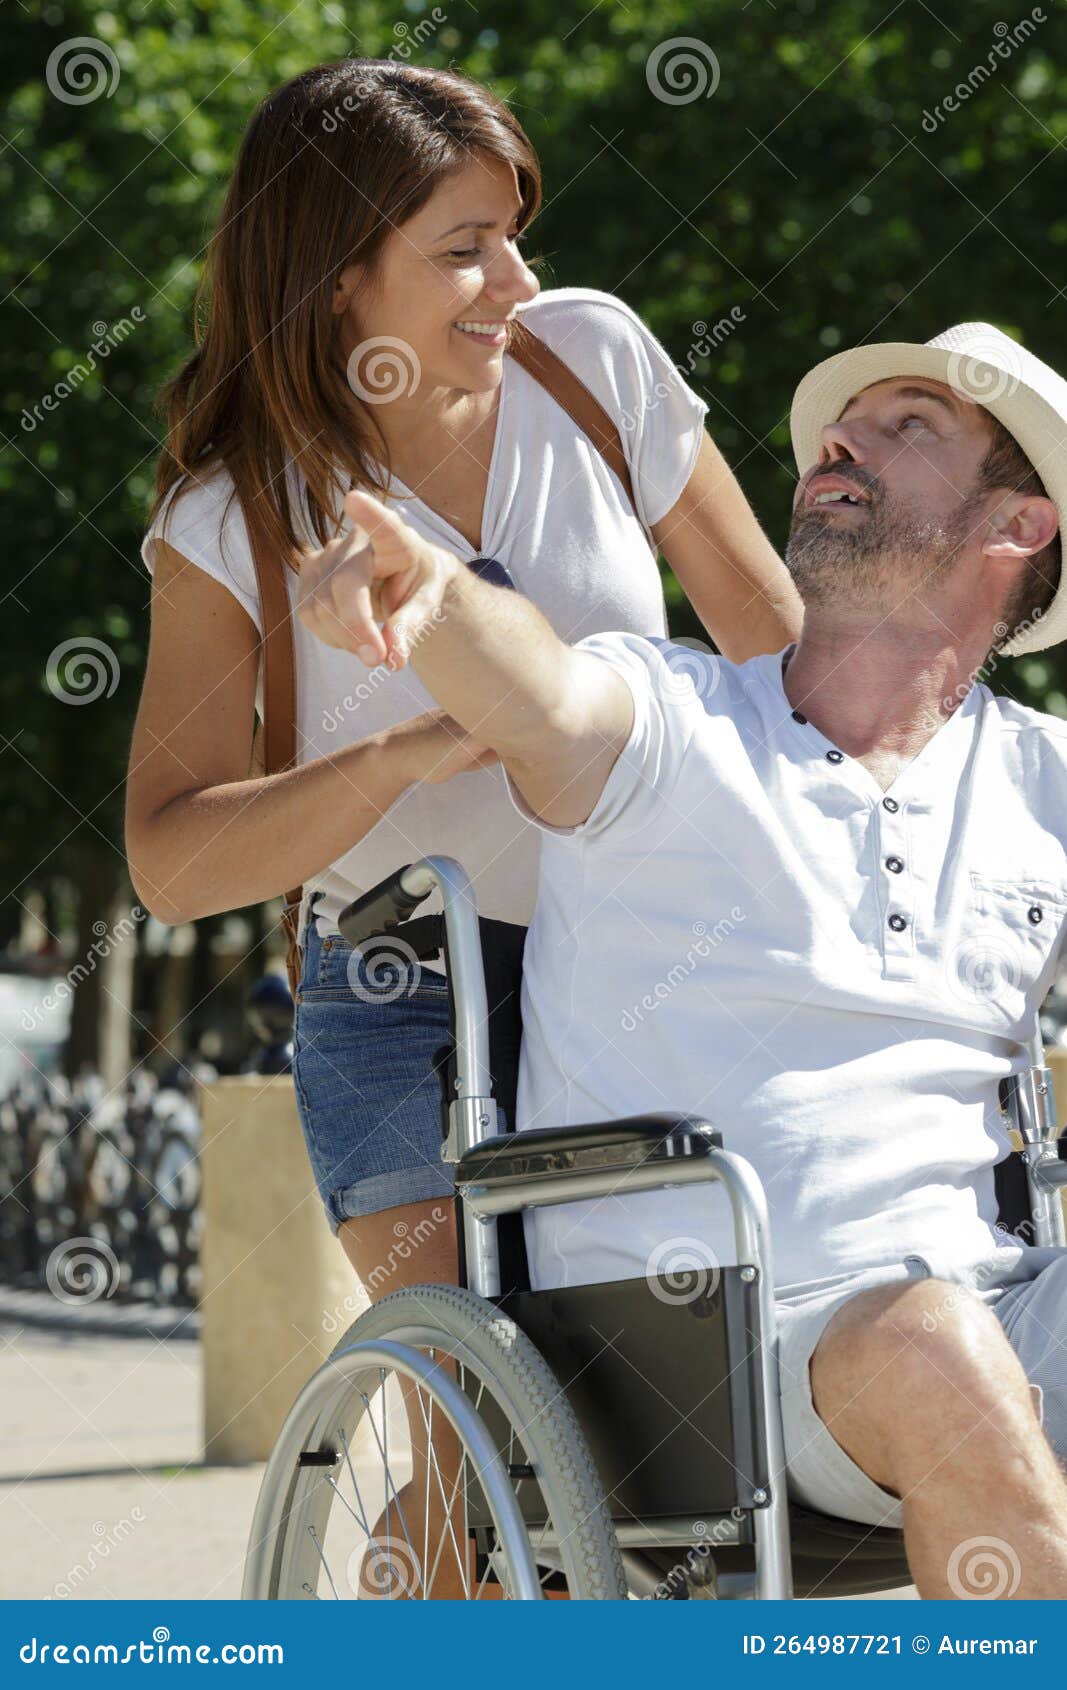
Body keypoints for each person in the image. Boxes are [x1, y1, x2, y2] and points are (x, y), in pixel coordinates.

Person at [296, 320, 1067, 1599]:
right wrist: (430, 596)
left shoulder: (1042, 779)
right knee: (932, 1350)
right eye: (845, 422)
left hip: (992, 1309)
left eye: (907, 427)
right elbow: (536, 693)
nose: (840, 439)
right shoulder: (670, 714)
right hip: (684, 1344)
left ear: (1017, 528)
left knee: (948, 1344)